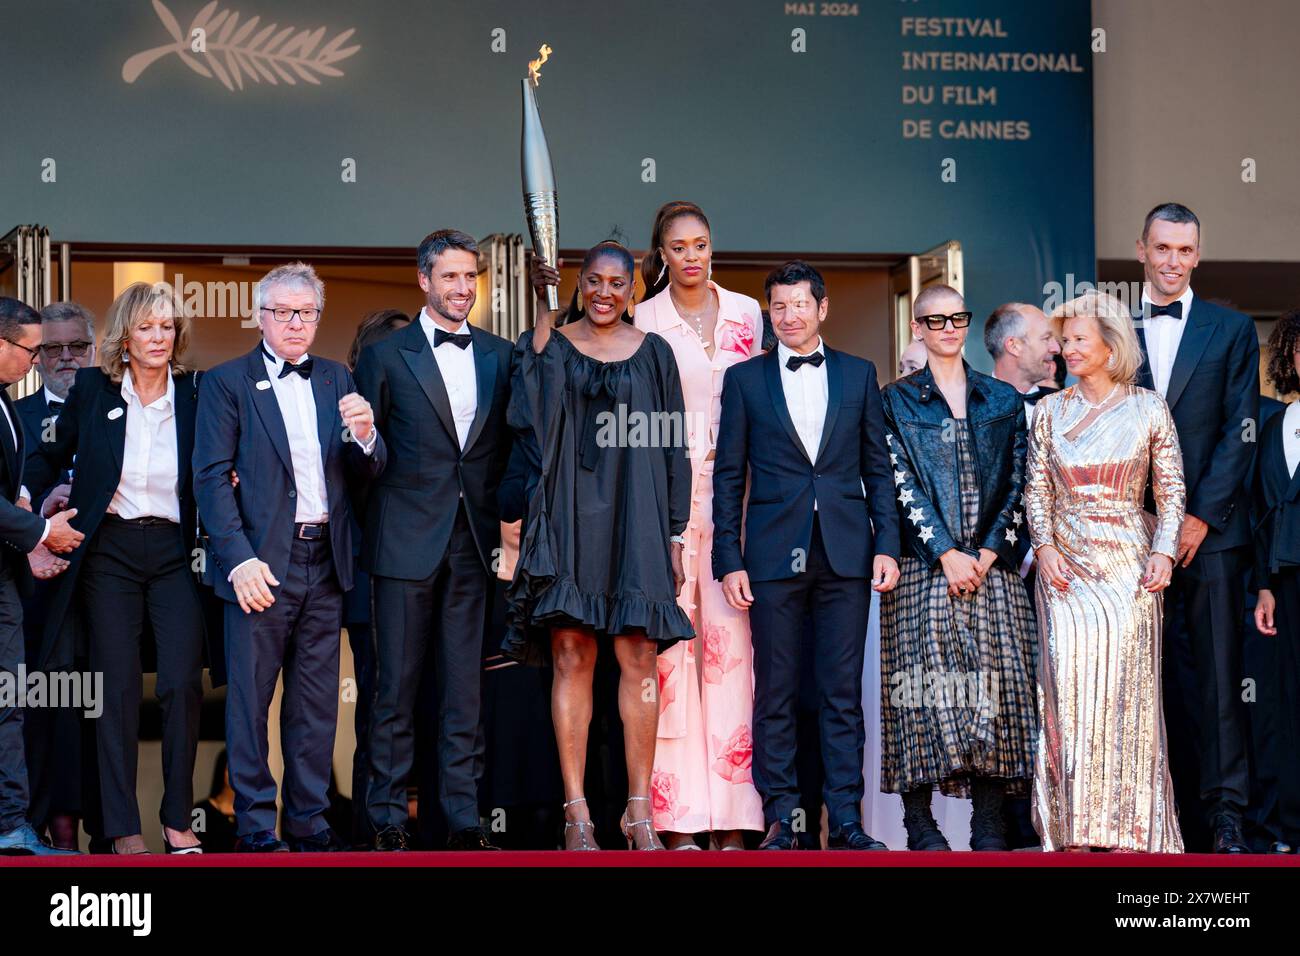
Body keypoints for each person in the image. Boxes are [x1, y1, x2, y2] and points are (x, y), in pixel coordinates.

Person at [193, 262, 385, 852]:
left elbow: (367, 475)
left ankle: (309, 823)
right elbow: (206, 478)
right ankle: (254, 826)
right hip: (260, 565)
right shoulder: (226, 381)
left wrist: (367, 437)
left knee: (316, 704)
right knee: (251, 702)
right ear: (259, 315)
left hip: (325, 559)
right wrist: (238, 559)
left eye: (307, 312)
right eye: (283, 311)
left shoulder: (336, 377)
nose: (296, 322)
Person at [509, 241, 694, 851]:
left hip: (637, 518)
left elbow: (674, 448)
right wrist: (542, 306)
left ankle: (638, 812)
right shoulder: (555, 347)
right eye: (594, 281)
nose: (606, 292)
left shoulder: (656, 355)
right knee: (571, 653)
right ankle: (577, 812)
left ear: (634, 290)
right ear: (579, 285)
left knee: (639, 653)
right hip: (567, 516)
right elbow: (528, 403)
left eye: (618, 282)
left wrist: (672, 532)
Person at [713, 260, 900, 851]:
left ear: (822, 309)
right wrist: (729, 557)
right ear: (770, 313)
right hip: (770, 558)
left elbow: (879, 468)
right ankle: (782, 822)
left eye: (800, 305)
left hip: (847, 553)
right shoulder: (745, 380)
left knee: (840, 693)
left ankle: (846, 822)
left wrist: (888, 544)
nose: (789, 316)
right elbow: (727, 478)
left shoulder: (858, 374)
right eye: (779, 307)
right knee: (776, 692)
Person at [24, 282, 207, 855]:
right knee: (116, 690)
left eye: (167, 327)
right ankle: (123, 830)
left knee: (181, 683)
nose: (158, 337)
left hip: (178, 552)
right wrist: (39, 499)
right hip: (110, 553)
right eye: (146, 327)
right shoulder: (92, 390)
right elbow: (46, 456)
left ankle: (179, 821)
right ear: (124, 337)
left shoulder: (197, 393)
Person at [354, 231, 514, 852]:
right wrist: (363, 441)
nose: (462, 288)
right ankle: (387, 818)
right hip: (401, 542)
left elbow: (510, 450)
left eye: (470, 277)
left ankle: (464, 820)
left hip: (473, 542)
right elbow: (365, 460)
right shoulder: (386, 354)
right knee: (394, 688)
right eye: (450, 277)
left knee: (464, 690)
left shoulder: (501, 355)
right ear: (424, 281)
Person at [877, 285, 1037, 852]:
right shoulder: (893, 400)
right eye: (935, 320)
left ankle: (989, 825)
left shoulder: (1002, 398)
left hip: (992, 567)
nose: (948, 327)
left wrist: (989, 552)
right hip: (924, 565)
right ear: (916, 327)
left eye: (957, 317)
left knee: (998, 686)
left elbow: (1022, 482)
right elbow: (896, 482)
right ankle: (921, 827)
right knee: (917, 690)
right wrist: (944, 551)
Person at [1025, 290, 1185, 852]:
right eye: (1062, 340)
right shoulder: (1050, 410)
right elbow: (1036, 491)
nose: (1066, 348)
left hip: (1129, 568)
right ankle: (1070, 831)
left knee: (1126, 698)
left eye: (1077, 339)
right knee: (1066, 695)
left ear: (1110, 345)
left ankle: (1131, 830)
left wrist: (1164, 553)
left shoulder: (1148, 408)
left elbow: (1170, 492)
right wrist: (1043, 550)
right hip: (1065, 569)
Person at [633, 201, 764, 850]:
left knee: (735, 659)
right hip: (669, 505)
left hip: (740, 501)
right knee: (674, 660)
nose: (692, 255)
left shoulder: (747, 312)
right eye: (679, 246)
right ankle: (677, 819)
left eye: (702, 243)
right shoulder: (644, 319)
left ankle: (735, 820)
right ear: (662, 254)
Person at [1133, 203, 1258, 853]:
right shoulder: (1115, 327)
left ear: (1198, 255)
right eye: (1162, 248)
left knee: (1216, 679)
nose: (1173, 260)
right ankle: (1160, 817)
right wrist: (1147, 520)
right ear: (1142, 250)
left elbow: (1241, 432)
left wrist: (1198, 516)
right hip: (1132, 535)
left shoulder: (1232, 330)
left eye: (1184, 250)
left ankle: (1226, 817)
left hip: (1211, 538)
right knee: (1145, 680)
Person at [0, 297, 83, 855]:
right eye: (31, 350)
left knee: (8, 702)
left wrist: (30, 508)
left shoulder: (4, 403)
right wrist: (38, 534)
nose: (36, 362)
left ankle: (10, 824)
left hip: (7, 577)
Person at [16, 301, 97, 849]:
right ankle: (46, 824)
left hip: (111, 584)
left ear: (94, 350)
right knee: (46, 709)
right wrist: (42, 505)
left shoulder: (121, 405)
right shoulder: (14, 418)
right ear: (36, 356)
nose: (66, 358)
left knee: (103, 708)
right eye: (53, 348)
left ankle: (111, 827)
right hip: (39, 591)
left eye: (78, 347)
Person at [341, 309, 409, 846]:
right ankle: (373, 833)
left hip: (437, 583)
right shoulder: (352, 423)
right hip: (370, 581)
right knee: (379, 711)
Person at [1251, 308, 1300, 855]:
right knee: (1282, 705)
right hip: (1281, 585)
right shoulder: (1272, 424)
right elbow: (1262, 510)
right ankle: (1289, 825)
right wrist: (1263, 585)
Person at [986, 302, 1061, 424]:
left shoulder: (1063, 404)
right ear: (1014, 346)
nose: (1056, 348)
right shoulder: (970, 406)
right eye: (1046, 338)